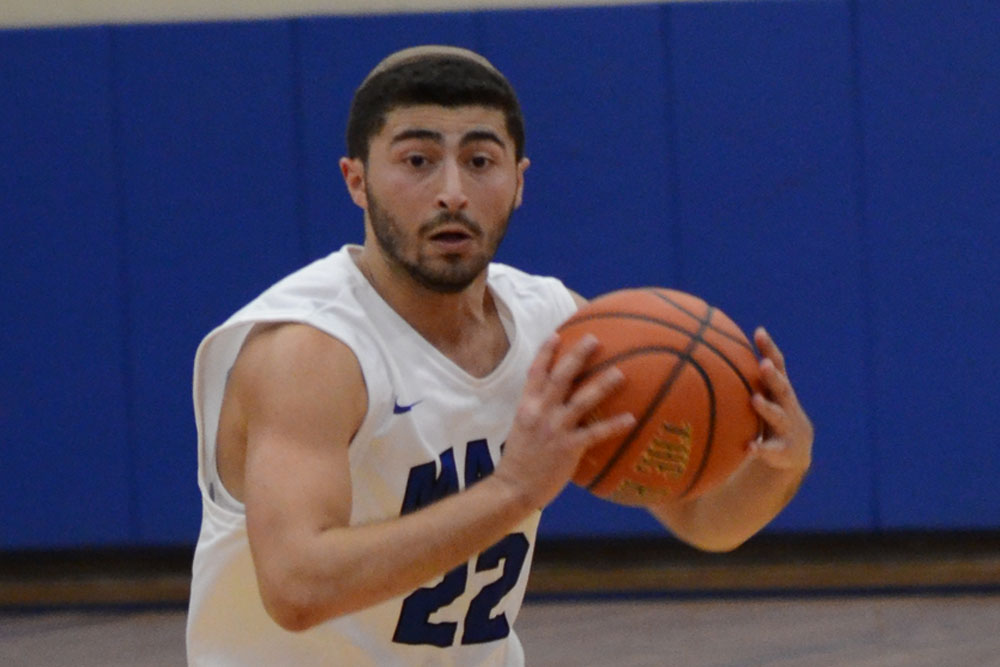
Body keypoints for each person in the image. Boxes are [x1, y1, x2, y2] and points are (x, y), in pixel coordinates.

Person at [185, 45, 813, 666]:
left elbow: (704, 522)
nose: (452, 192)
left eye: (480, 160)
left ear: (518, 182)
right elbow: (298, 587)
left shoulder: (557, 326)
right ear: (357, 180)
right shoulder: (310, 352)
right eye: (418, 160)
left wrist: (780, 465)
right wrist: (513, 490)